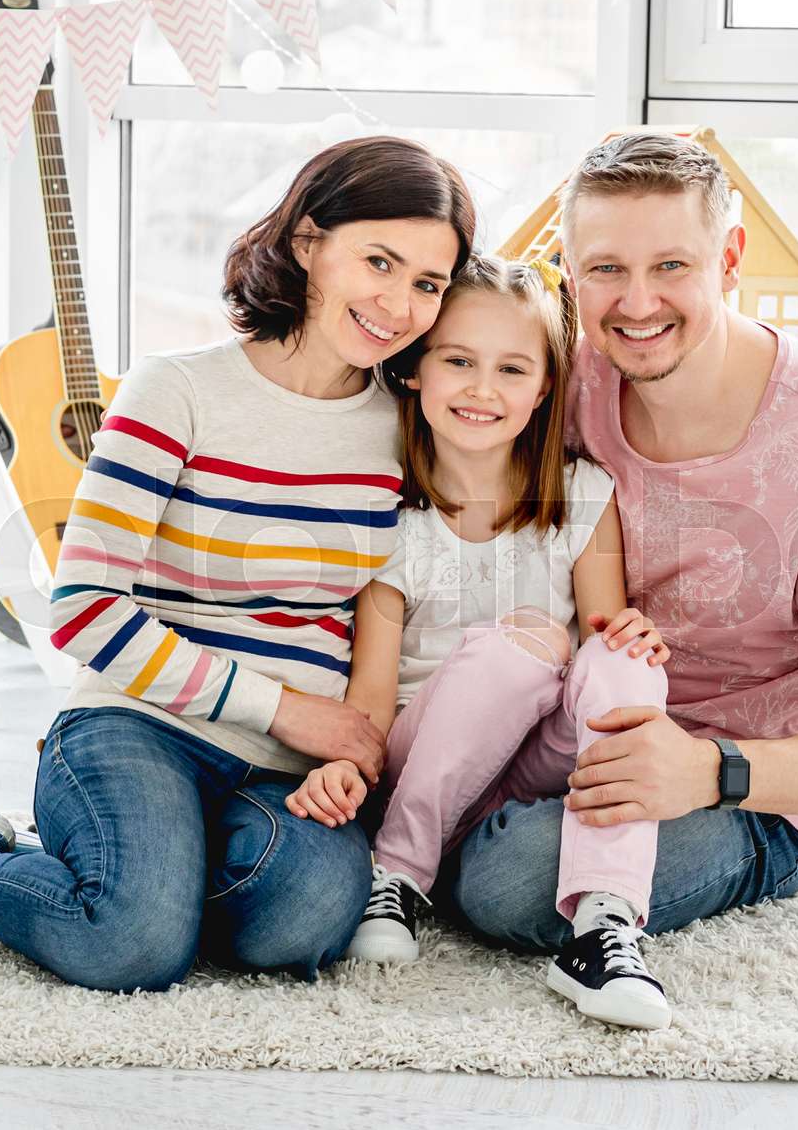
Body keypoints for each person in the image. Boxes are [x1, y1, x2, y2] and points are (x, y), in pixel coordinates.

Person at [0, 137, 477, 990]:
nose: (399, 304)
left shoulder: (409, 429)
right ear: (309, 242)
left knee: (298, 925)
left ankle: (142, 876)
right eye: (379, 261)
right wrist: (284, 710)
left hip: (293, 769)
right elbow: (83, 608)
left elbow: (389, 608)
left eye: (428, 284)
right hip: (140, 723)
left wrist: (350, 752)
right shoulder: (177, 390)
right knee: (131, 946)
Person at [438, 133, 798, 979]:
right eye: (607, 269)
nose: (638, 304)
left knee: (506, 878)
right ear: (569, 271)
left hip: (748, 786)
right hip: (568, 728)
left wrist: (709, 771)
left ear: (728, 259)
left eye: (671, 266)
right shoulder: (557, 383)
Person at [283, 255, 676, 1030]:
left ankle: (604, 922)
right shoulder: (389, 517)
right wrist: (343, 767)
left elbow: (600, 650)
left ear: (543, 389)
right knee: (520, 643)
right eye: (458, 361)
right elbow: (372, 693)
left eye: (511, 369)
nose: (482, 389)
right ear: (414, 370)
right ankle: (396, 873)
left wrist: (632, 635)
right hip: (420, 768)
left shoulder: (583, 494)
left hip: (532, 771)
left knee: (624, 658)